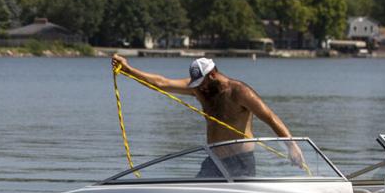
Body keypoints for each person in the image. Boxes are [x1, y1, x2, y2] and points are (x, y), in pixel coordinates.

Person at [111, 54, 303, 175]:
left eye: (201, 82)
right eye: (196, 84)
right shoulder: (200, 90)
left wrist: (292, 146)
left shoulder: (240, 92)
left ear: (212, 75)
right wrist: (129, 69)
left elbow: (271, 117)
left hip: (241, 163)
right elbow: (161, 83)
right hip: (214, 160)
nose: (199, 88)